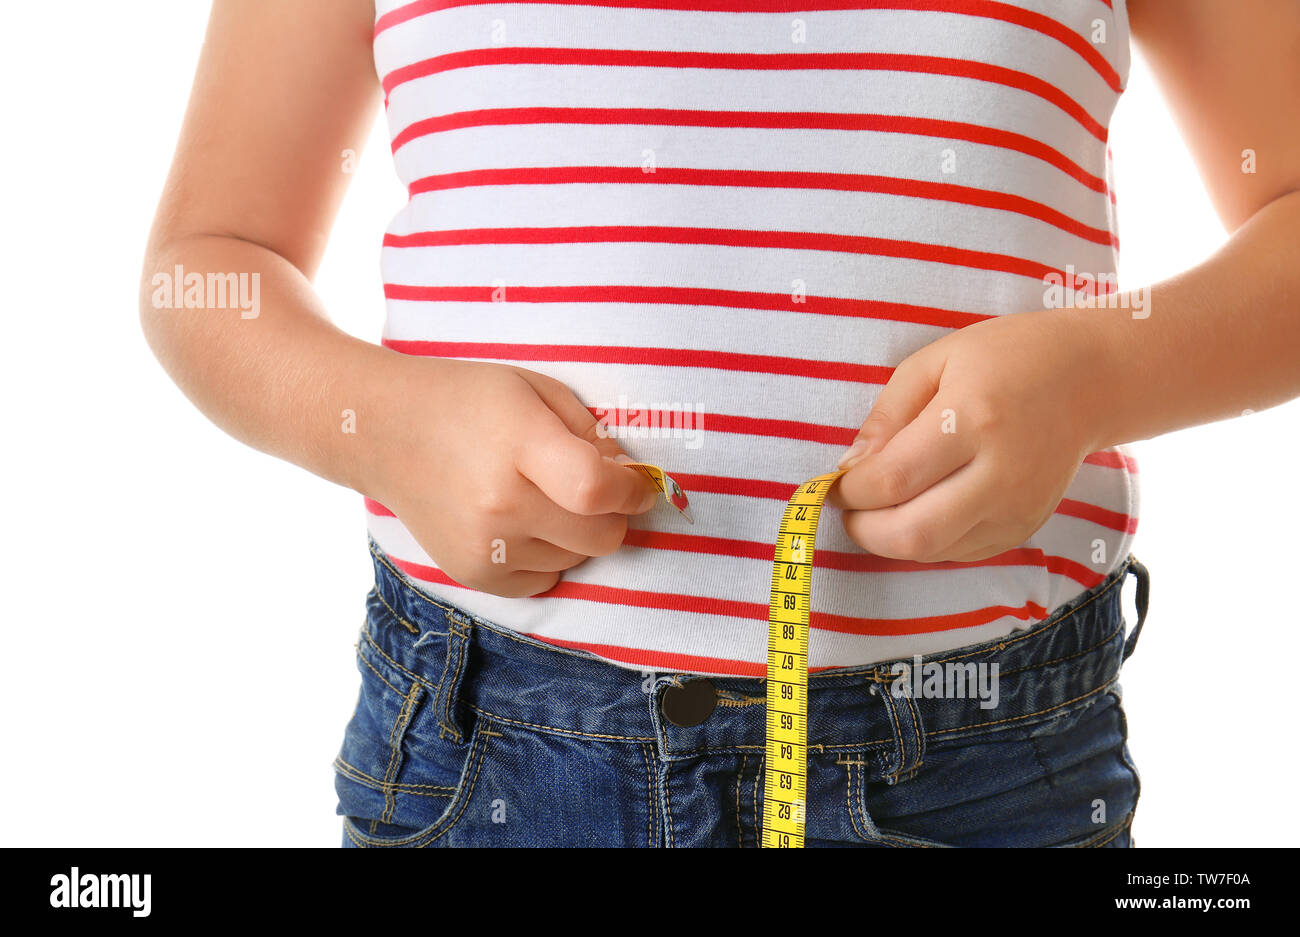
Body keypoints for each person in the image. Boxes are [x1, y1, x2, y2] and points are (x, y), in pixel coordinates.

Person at [140, 0, 1300, 847]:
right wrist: (384, 420)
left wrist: (1098, 371)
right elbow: (211, 260)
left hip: (979, 764)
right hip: (487, 743)